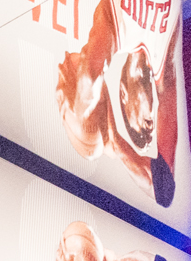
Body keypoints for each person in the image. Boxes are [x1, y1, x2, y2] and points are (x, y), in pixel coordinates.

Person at [56, 0, 183, 208]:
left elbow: (89, 73)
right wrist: (116, 143)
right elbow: (163, 190)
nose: (149, 115)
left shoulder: (116, 25)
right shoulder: (162, 65)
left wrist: (113, 140)